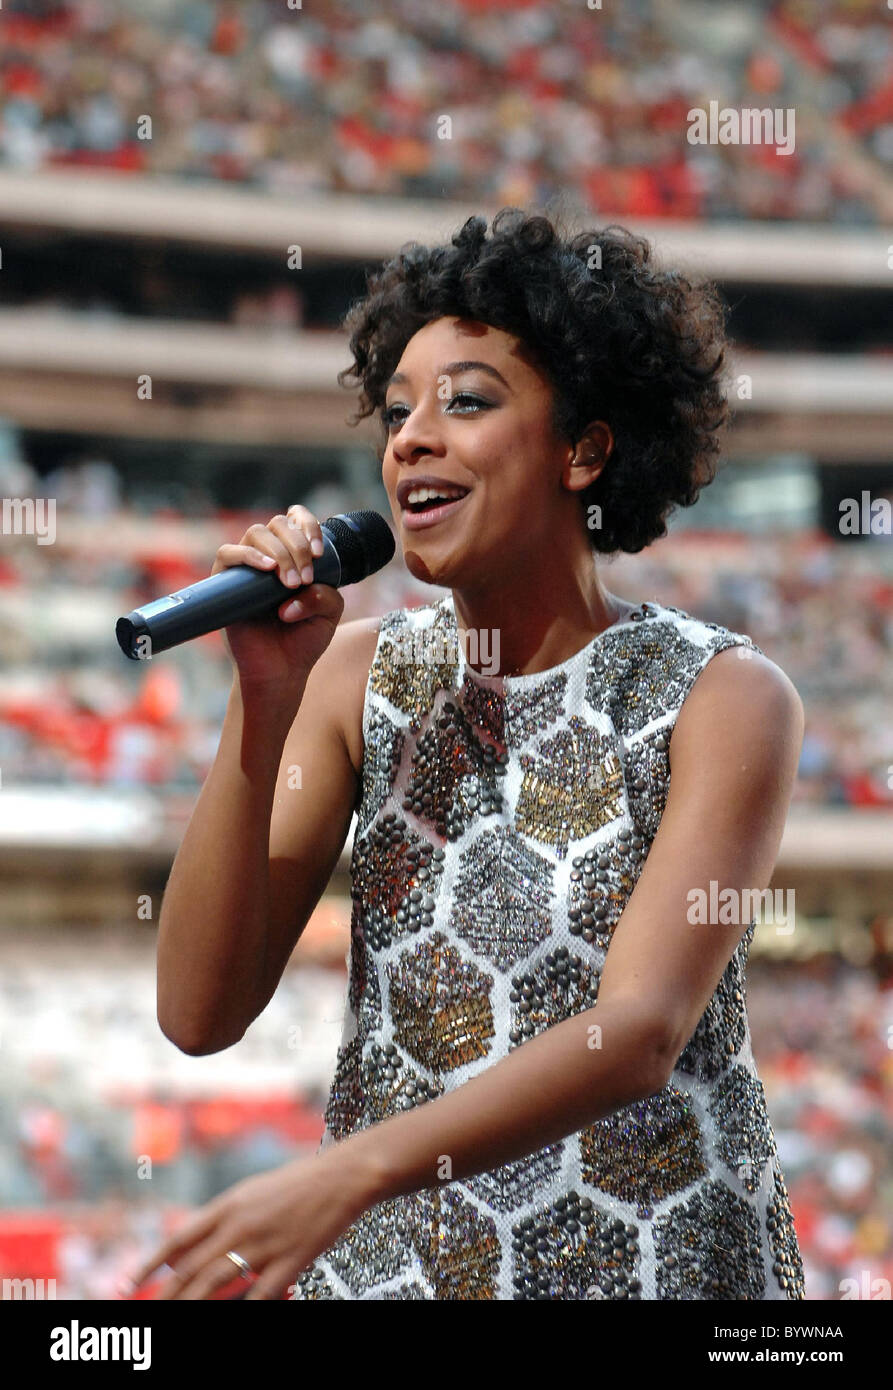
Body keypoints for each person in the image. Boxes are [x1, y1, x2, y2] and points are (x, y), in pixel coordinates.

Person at [126, 207, 806, 1301]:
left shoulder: (719, 695)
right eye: (396, 412)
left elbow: (636, 1030)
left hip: (656, 1271)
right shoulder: (353, 678)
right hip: (396, 1277)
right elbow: (199, 1014)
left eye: (467, 402)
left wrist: (349, 1170)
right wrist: (262, 703)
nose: (410, 438)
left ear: (584, 449)